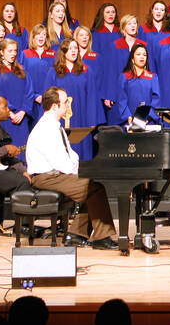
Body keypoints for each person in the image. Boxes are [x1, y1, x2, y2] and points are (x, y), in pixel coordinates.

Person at [25, 86, 118, 248]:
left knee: (91, 185)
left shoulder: (55, 126)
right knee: (93, 187)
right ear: (55, 106)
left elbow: (71, 156)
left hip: (54, 174)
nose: (68, 105)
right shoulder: (47, 128)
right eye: (65, 102)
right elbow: (60, 162)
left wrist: (84, 168)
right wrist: (80, 171)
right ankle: (101, 238)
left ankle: (76, 234)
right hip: (46, 177)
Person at [0, 38, 33, 149]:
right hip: (5, 118)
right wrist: (10, 112)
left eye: (15, 51)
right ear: (1, 52)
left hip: (22, 118)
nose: (13, 54)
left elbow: (29, 91)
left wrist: (23, 111)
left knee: (22, 150)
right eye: (9, 51)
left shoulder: (21, 70)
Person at [51, 39, 94, 160]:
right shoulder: (54, 72)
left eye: (75, 48)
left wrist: (92, 120)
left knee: (82, 149)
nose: (73, 51)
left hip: (81, 117)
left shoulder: (86, 70)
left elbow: (92, 96)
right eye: (70, 48)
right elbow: (48, 98)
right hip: (59, 118)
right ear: (63, 51)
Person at [115, 42, 161, 130]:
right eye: (138, 54)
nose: (142, 57)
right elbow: (122, 100)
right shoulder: (125, 77)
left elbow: (156, 100)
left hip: (148, 123)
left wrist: (148, 118)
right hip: (129, 122)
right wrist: (128, 117)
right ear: (132, 58)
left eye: (144, 55)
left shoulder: (153, 77)